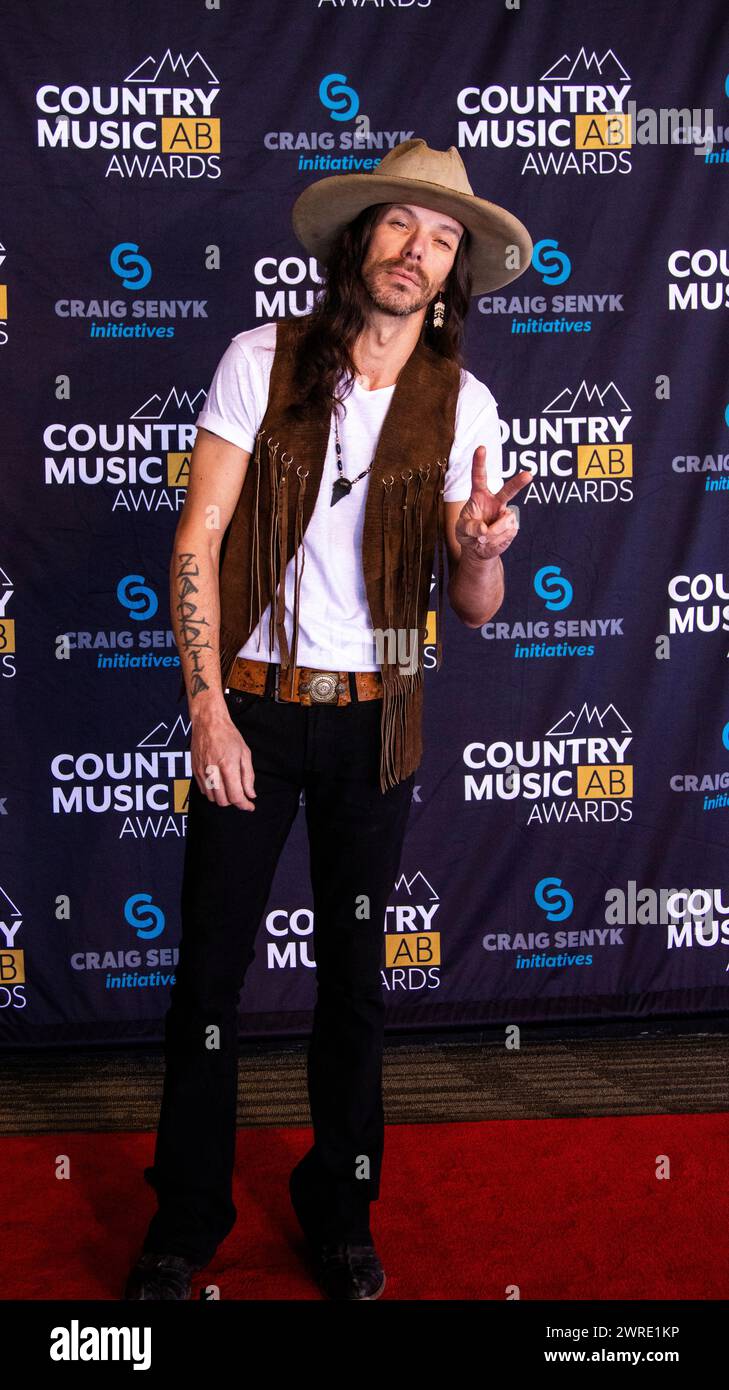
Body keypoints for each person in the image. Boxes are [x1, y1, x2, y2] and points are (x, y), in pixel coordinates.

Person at [123, 138, 532, 1302]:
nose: (418, 250)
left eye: (443, 237)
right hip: (251, 706)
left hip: (375, 722)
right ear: (362, 241)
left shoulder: (467, 400)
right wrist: (205, 705)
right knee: (209, 977)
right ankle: (187, 1215)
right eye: (401, 225)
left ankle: (341, 1208)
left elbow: (475, 602)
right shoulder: (263, 358)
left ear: (454, 272)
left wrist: (483, 550)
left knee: (356, 981)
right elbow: (198, 535)